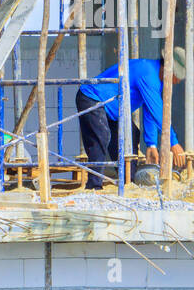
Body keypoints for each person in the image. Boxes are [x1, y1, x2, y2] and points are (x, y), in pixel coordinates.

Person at [75, 47, 187, 189]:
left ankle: (129, 181)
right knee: (101, 135)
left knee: (132, 134)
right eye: (176, 76)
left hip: (112, 109)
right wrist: (174, 143)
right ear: (167, 69)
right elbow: (159, 113)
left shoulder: (156, 78)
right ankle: (94, 186)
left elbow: (149, 111)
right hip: (92, 98)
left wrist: (151, 144)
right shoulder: (148, 74)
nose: (176, 81)